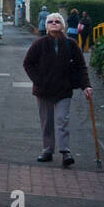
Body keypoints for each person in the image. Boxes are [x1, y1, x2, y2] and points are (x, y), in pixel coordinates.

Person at [23, 12, 93, 168]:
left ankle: (65, 151)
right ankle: (47, 150)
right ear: (46, 26)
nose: (54, 23)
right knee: (46, 122)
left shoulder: (71, 44)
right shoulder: (39, 44)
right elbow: (28, 63)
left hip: (64, 89)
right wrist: (38, 80)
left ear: (62, 26)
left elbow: (81, 67)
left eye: (57, 21)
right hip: (43, 90)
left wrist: (86, 86)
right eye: (50, 21)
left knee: (62, 120)